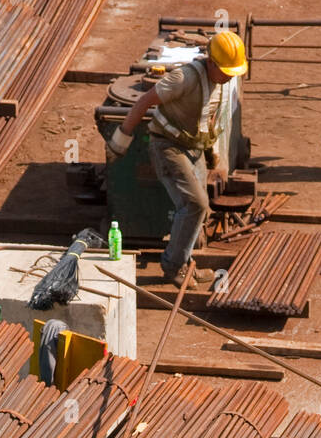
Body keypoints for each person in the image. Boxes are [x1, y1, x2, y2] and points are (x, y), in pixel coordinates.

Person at [106, 30, 249, 286]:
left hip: (192, 147)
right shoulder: (184, 78)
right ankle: (173, 267)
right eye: (227, 71)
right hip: (167, 146)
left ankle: (186, 263)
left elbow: (208, 117)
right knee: (195, 203)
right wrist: (120, 141)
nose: (230, 77)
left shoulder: (219, 81)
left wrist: (211, 152)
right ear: (211, 63)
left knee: (199, 208)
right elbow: (144, 102)